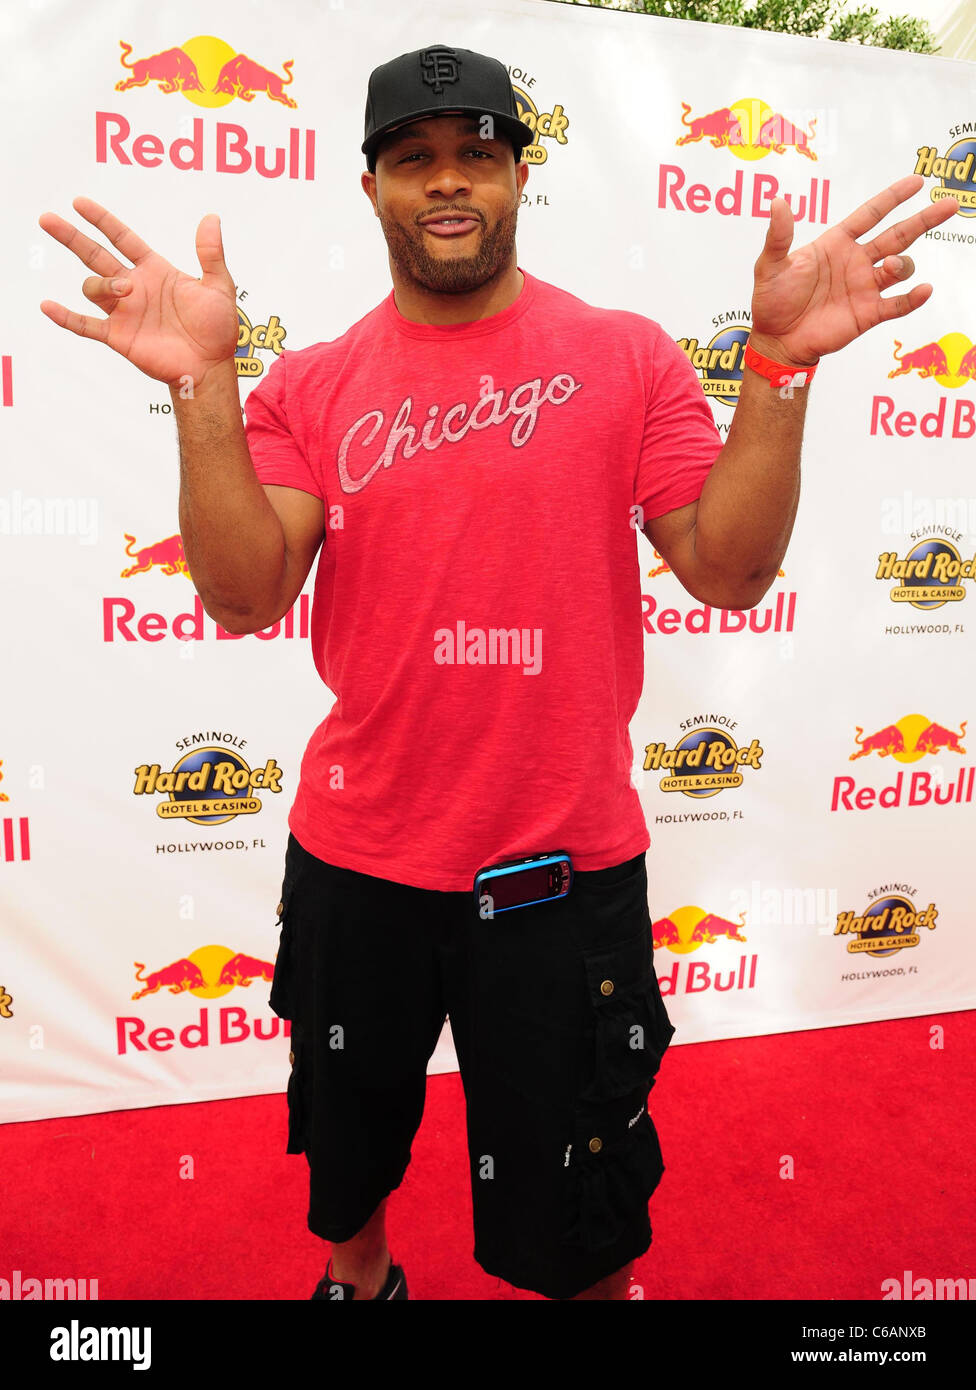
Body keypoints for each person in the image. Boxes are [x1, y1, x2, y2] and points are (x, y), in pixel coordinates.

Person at [38, 41, 957, 1303]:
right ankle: (362, 1279)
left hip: (561, 876)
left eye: (477, 151)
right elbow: (246, 595)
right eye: (414, 160)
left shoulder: (630, 356)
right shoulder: (308, 382)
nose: (448, 182)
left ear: (521, 172)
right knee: (346, 1167)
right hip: (359, 862)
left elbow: (729, 574)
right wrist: (206, 385)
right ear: (371, 189)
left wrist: (779, 371)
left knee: (578, 1215)